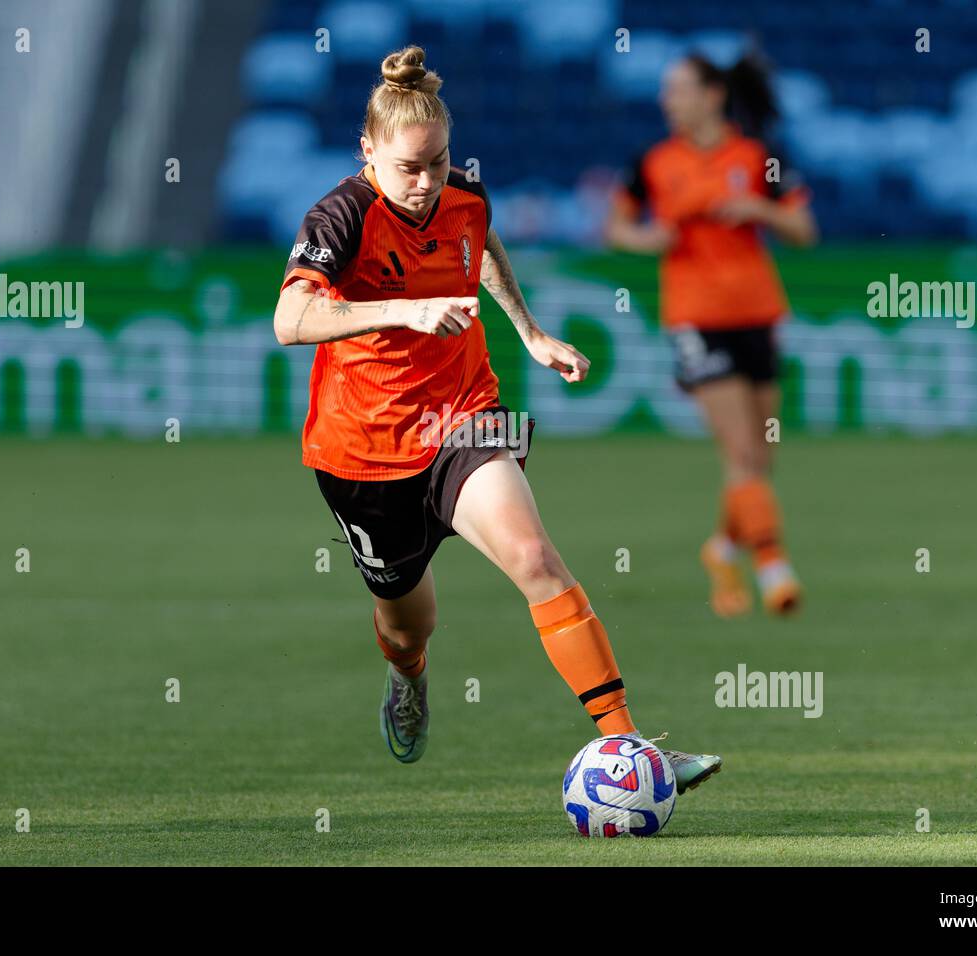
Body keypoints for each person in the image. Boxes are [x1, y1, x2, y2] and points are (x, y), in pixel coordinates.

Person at [273, 45, 720, 794]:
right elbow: (291, 319)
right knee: (408, 627)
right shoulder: (341, 214)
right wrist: (408, 309)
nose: (425, 184)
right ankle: (409, 679)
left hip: (462, 416)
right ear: (367, 154)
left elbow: (479, 247)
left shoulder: (465, 196)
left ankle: (632, 748)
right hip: (362, 454)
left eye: (438, 164)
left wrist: (531, 332)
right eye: (408, 168)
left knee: (536, 559)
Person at [606, 51, 818, 618]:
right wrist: (646, 239)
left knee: (757, 464)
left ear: (712, 95)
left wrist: (756, 208)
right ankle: (773, 566)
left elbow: (803, 229)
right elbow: (616, 227)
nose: (665, 99)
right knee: (744, 452)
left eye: (676, 88)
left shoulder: (756, 157)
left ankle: (722, 548)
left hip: (758, 314)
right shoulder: (653, 162)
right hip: (696, 319)